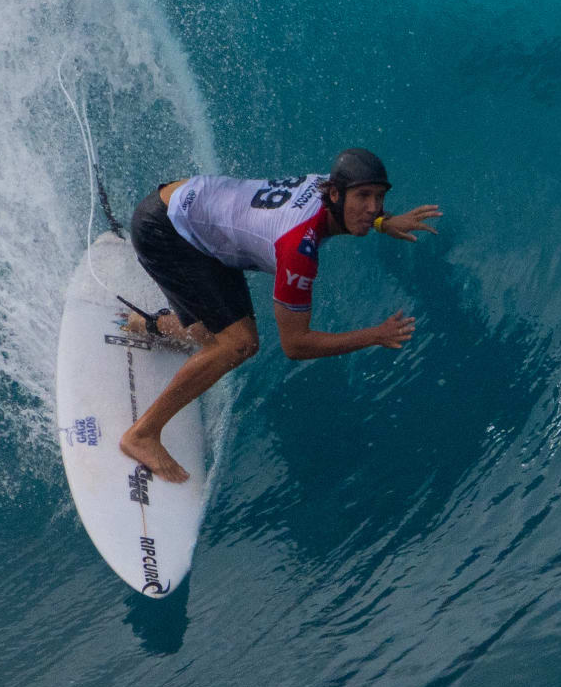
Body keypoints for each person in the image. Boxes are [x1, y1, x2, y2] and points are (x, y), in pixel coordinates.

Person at [116, 147, 441, 485]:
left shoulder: (327, 186)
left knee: (214, 339)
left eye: (379, 197)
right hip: (168, 230)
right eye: (364, 196)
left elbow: (358, 209)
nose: (373, 207)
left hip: (197, 216)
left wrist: (384, 222)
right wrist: (375, 335)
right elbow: (296, 344)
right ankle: (143, 434)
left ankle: (149, 325)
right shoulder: (299, 247)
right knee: (238, 345)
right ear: (335, 193)